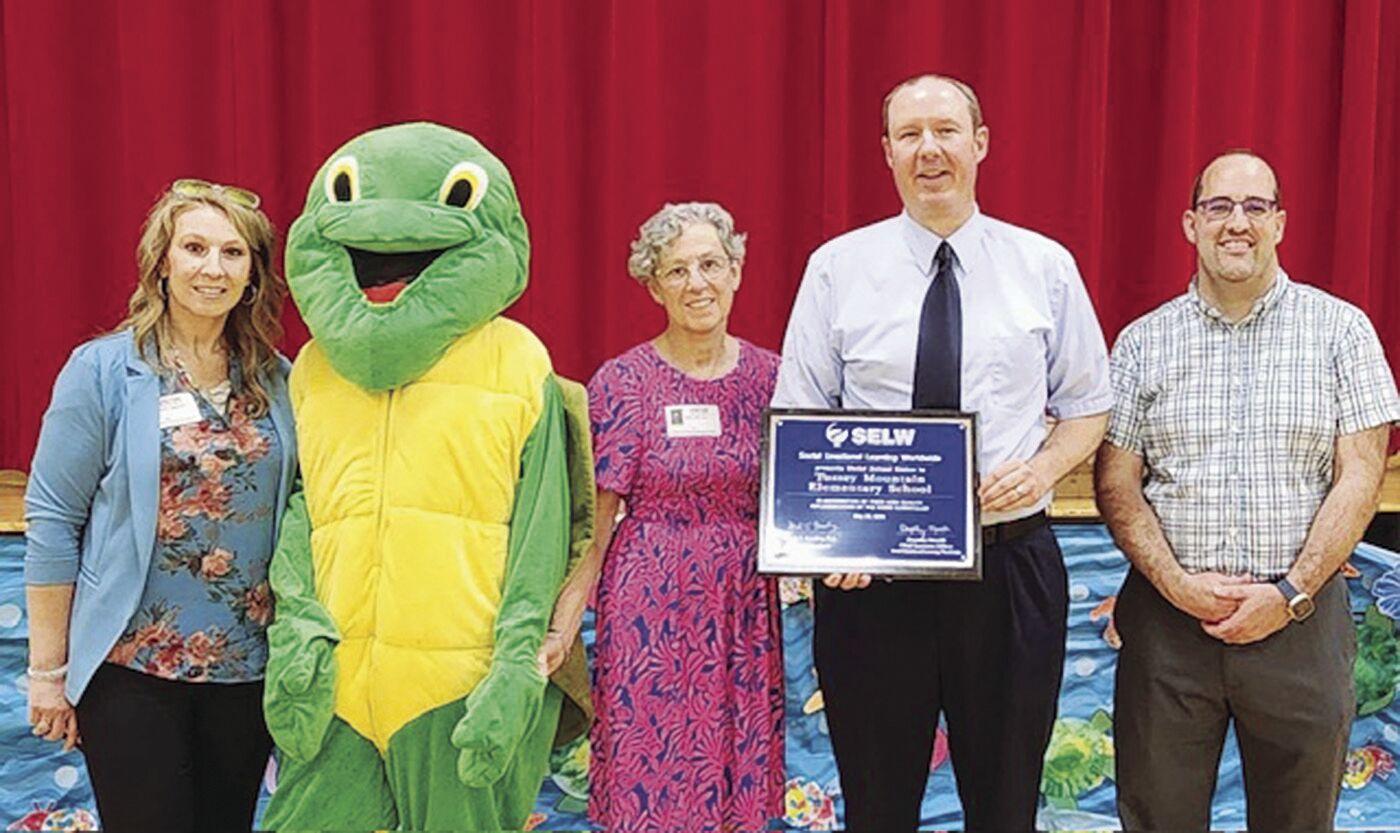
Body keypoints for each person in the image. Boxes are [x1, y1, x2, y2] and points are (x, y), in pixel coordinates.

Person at [772, 74, 1112, 831]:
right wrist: (830, 539)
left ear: (980, 143)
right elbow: (800, 419)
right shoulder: (836, 269)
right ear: (887, 153)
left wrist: (1043, 468)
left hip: (1007, 566)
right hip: (873, 584)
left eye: (946, 131)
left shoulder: (1044, 266)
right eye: (910, 135)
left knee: (1005, 805)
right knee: (877, 806)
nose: (929, 149)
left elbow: (1088, 405)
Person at [1096, 150, 1399, 832]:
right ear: (1190, 224)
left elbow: (1362, 473)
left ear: (1280, 224)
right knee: (1158, 818)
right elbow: (1116, 482)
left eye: (1255, 207)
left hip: (1299, 622)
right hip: (1169, 630)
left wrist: (1290, 591)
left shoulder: (1342, 332)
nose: (1237, 223)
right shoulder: (1142, 343)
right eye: (1219, 207)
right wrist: (1175, 583)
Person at [24, 179, 296, 832]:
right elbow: (54, 521)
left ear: (253, 274)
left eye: (233, 252)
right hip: (131, 669)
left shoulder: (279, 379)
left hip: (247, 671)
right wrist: (47, 672)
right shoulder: (102, 371)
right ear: (162, 262)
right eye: (195, 247)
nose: (213, 268)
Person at [539, 202, 784, 831]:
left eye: (710, 265)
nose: (697, 283)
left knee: (734, 774)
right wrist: (562, 627)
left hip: (742, 605)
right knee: (651, 773)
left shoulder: (774, 380)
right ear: (653, 286)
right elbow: (594, 528)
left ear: (736, 272)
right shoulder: (622, 383)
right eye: (676, 271)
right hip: (650, 605)